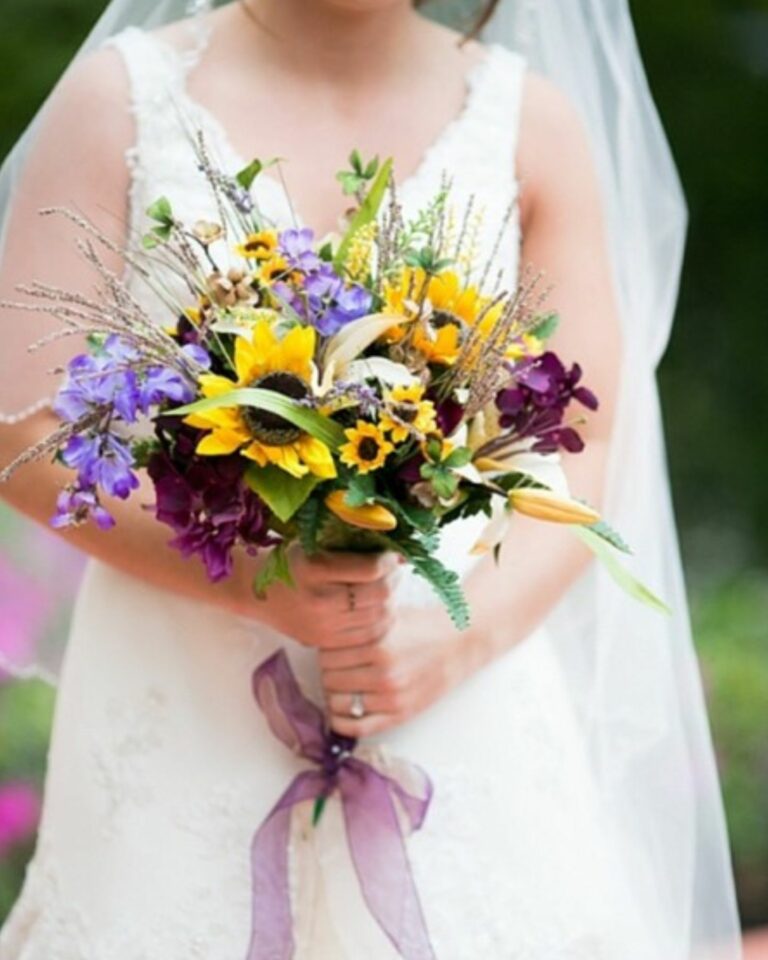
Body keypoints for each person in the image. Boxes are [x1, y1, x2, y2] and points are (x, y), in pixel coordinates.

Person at [0, 1, 742, 957]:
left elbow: (586, 446)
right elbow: (22, 426)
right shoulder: (118, 100)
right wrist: (247, 581)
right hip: (177, 696)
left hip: (456, 693)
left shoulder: (533, 122)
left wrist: (450, 640)